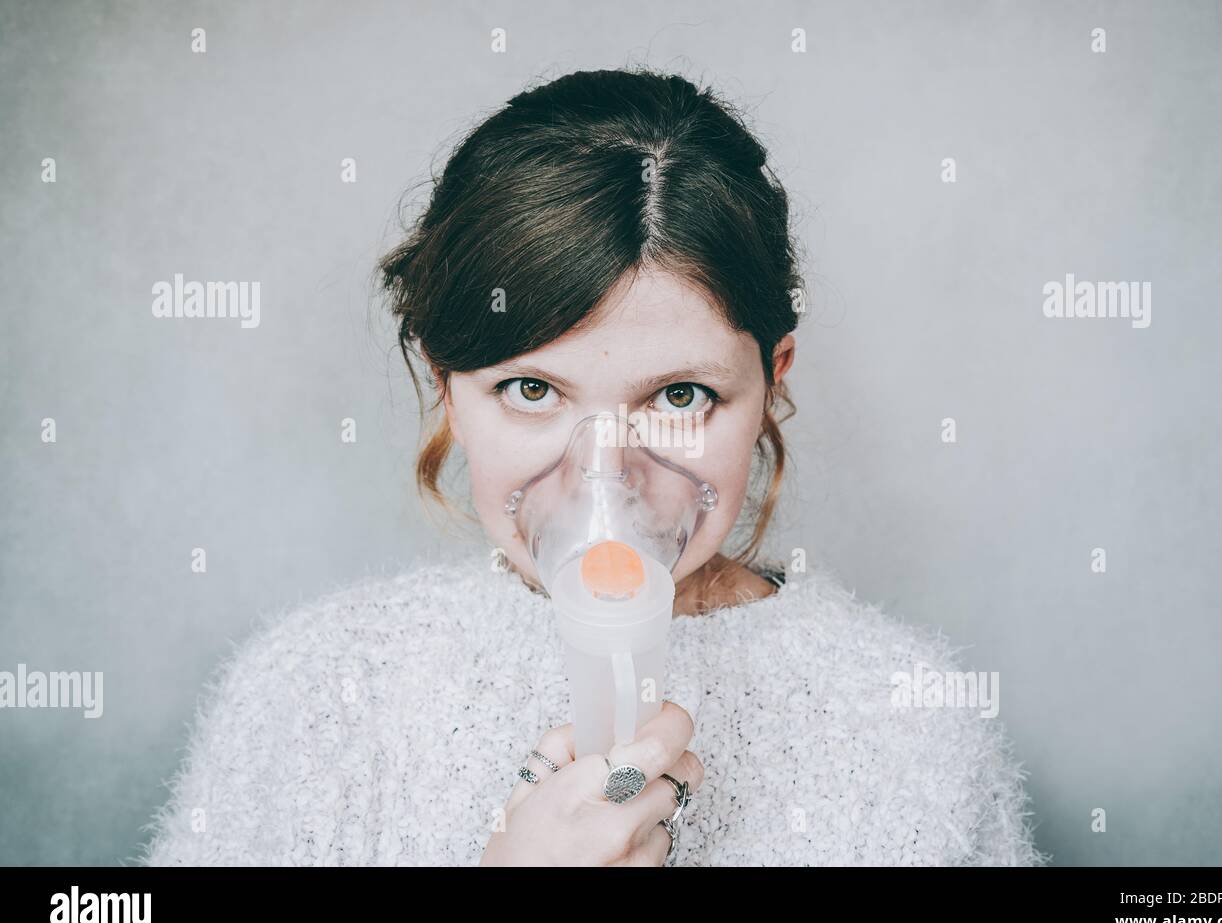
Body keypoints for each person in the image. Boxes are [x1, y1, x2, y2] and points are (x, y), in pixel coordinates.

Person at [138, 68, 1047, 867]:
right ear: (444, 384)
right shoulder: (316, 695)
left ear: (771, 383)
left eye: (680, 396)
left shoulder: (911, 720)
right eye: (532, 389)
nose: (604, 479)